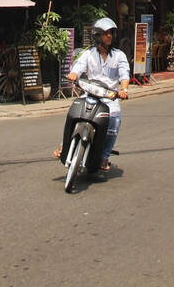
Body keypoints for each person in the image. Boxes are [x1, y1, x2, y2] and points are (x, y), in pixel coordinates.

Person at [55, 17, 130, 173]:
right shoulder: (88, 54)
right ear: (97, 36)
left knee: (115, 118)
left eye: (111, 33)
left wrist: (124, 90)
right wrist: (74, 74)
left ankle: (104, 156)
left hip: (109, 97)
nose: (109, 36)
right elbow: (78, 67)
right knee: (73, 113)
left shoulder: (119, 56)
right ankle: (64, 147)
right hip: (88, 93)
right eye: (105, 33)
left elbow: (124, 75)